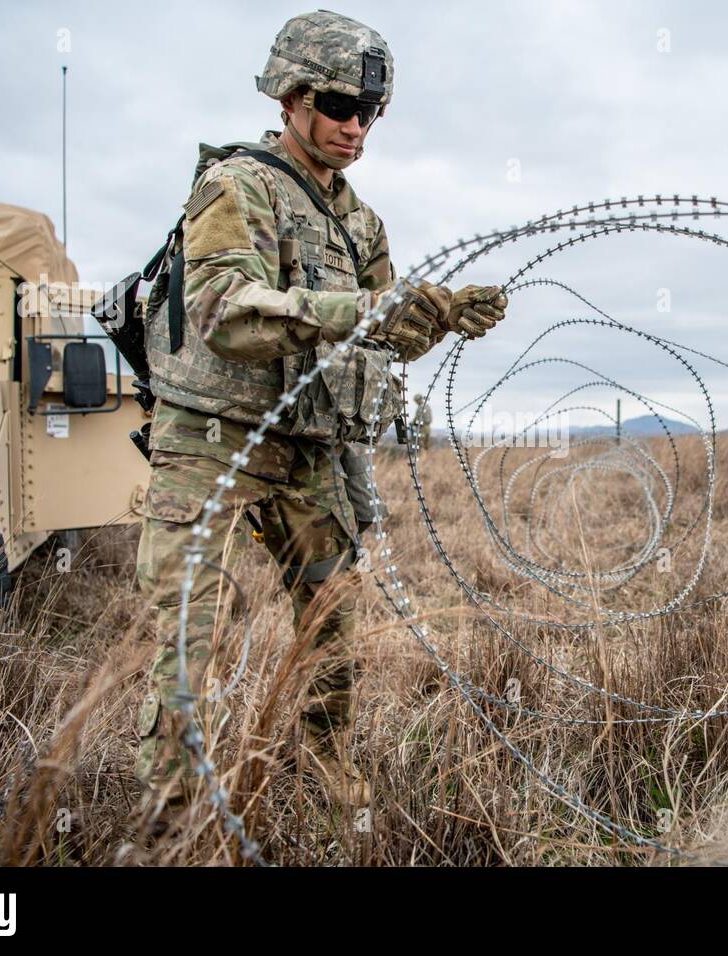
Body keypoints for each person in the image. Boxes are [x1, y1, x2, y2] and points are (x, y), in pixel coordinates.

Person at [133, 9, 508, 820]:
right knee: (192, 634)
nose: (356, 127)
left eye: (371, 112)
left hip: (309, 448)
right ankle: (171, 812)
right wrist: (363, 312)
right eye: (341, 106)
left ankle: (322, 764)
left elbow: (380, 331)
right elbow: (223, 310)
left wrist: (434, 315)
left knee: (334, 625)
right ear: (293, 97)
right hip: (213, 443)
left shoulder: (361, 221)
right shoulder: (238, 185)